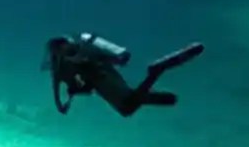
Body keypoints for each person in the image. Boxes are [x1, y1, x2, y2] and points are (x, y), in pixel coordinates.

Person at [44, 33, 204, 117]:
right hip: (103, 78)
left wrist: (64, 100)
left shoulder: (67, 61)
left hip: (103, 78)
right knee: (127, 106)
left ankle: (155, 72)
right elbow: (63, 86)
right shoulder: (65, 62)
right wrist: (67, 98)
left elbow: (60, 85)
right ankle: (150, 93)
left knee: (127, 105)